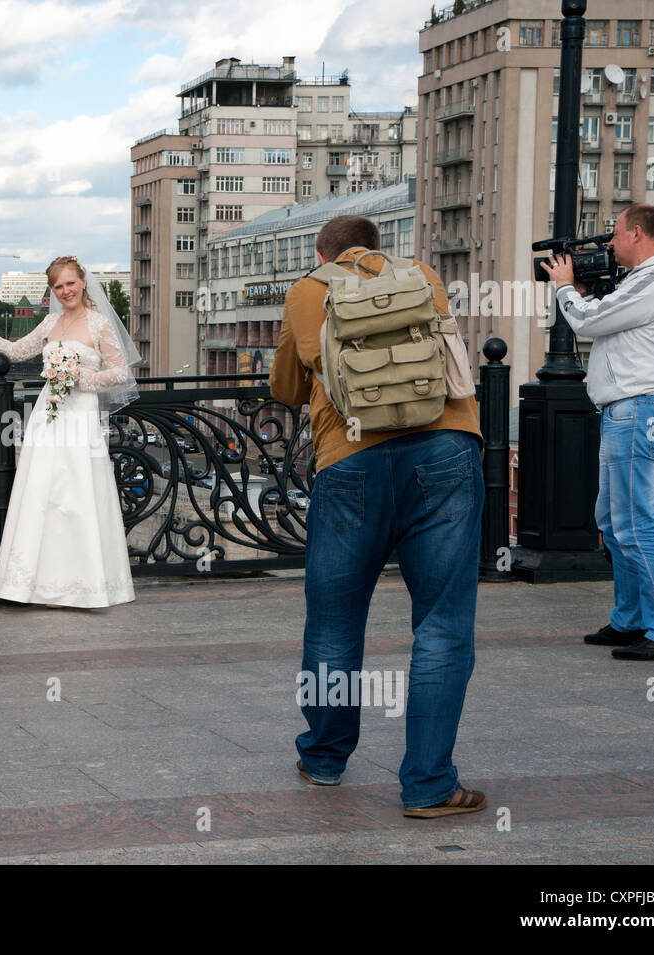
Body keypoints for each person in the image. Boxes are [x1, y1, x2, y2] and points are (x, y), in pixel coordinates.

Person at [270, 215, 486, 818]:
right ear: (375, 248)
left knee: (334, 623)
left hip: (351, 461)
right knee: (442, 625)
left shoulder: (307, 291)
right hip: (445, 450)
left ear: (323, 253)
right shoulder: (420, 276)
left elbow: (286, 388)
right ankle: (429, 786)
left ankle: (325, 758)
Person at [540, 204, 654, 661]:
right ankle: (631, 621)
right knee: (614, 521)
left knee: (636, 524)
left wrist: (566, 289)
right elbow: (604, 317)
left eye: (615, 235)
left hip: (640, 410)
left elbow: (588, 322)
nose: (608, 244)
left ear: (638, 234)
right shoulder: (640, 281)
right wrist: (581, 291)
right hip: (626, 411)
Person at [0, 256, 138, 608]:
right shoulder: (50, 322)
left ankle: (84, 585)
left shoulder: (100, 324)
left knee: (78, 493)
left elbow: (120, 373)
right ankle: (32, 584)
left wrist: (79, 378)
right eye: (58, 286)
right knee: (42, 492)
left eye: (70, 283)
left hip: (81, 414)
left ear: (83, 281)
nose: (65, 291)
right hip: (48, 415)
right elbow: (15, 351)